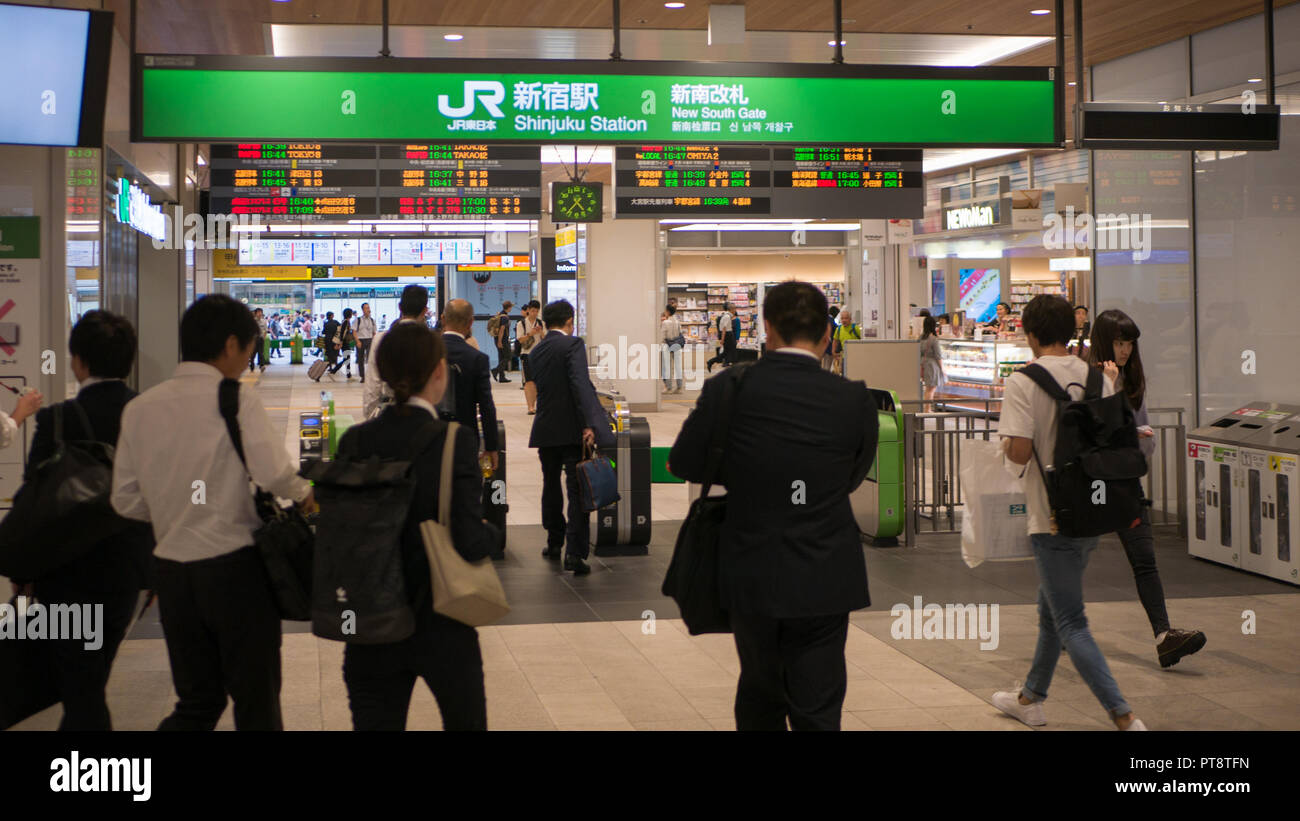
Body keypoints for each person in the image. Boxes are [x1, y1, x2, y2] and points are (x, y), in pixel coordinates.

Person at [668, 281, 878, 731]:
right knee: (819, 703)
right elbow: (852, 476)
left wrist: (747, 472)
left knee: (760, 692)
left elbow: (683, 461)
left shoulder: (729, 387)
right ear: (827, 334)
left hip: (751, 568)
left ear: (766, 328)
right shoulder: (854, 398)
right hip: (827, 571)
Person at [112, 294, 315, 731]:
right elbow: (274, 473)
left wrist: (173, 506)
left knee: (198, 702)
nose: (247, 360)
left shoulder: (139, 408)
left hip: (172, 577)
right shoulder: (235, 400)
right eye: (248, 349)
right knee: (256, 702)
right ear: (229, 345)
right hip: (235, 572)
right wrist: (305, 494)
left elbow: (125, 498)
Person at [336, 322, 501, 731]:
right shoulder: (454, 440)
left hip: (371, 624)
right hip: (442, 623)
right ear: (439, 372)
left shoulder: (353, 442)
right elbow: (467, 540)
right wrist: (491, 533)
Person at [993, 294, 1146, 731]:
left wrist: (1002, 448)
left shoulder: (1023, 382)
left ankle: (1124, 716)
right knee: (1052, 611)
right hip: (1094, 511)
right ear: (1073, 330)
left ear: (1031, 334)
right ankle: (1029, 699)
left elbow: (1020, 452)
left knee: (1071, 622)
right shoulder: (1099, 378)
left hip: (1051, 515)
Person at [15, 311, 153, 730]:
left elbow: (33, 494)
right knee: (88, 679)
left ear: (78, 362)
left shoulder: (57, 419)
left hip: (64, 570)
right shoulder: (147, 414)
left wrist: (24, 569)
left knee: (81, 685)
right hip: (125, 570)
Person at [1090, 309, 1206, 668]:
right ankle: (1056, 627)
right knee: (1071, 559)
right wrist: (1110, 393)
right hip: (1091, 486)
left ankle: (1164, 636)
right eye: (1119, 342)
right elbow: (1092, 435)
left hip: (1126, 485)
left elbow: (1146, 443)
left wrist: (1131, 436)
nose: (1124, 351)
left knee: (1145, 561)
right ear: (1104, 342)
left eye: (1129, 344)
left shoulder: (1134, 381)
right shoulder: (1086, 379)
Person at [528, 299, 616, 575]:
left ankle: (554, 542)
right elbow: (580, 385)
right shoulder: (573, 345)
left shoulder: (536, 350)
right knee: (578, 490)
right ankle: (574, 554)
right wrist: (591, 424)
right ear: (569, 321)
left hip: (545, 428)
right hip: (573, 429)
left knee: (550, 485)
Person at [440, 299, 501, 468]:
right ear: (471, 322)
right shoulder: (477, 359)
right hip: (465, 437)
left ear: (443, 319)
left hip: (430, 438)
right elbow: (486, 406)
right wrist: (491, 446)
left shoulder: (425, 352)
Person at [364, 285, 430, 419]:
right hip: (422, 414)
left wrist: (369, 417)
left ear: (400, 307)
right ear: (425, 311)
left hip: (391, 411)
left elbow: (372, 385)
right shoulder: (432, 341)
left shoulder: (381, 339)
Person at [515, 300, 544, 413]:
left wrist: (540, 332)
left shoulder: (541, 323)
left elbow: (546, 339)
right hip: (526, 354)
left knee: (538, 381)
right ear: (528, 310)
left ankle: (537, 405)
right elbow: (520, 339)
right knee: (529, 382)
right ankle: (530, 406)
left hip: (539, 355)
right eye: (532, 311)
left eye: (537, 311)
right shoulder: (521, 324)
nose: (534, 313)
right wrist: (530, 334)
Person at [919, 315, 945, 408]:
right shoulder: (934, 339)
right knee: (931, 389)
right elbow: (938, 356)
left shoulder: (920, 337)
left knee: (926, 389)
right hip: (932, 366)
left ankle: (925, 409)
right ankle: (927, 410)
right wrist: (942, 369)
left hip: (922, 364)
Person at [660, 303, 684, 394]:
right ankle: (679, 387)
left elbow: (662, 336)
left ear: (668, 312)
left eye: (665, 311)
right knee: (678, 366)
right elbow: (680, 333)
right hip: (677, 345)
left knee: (667, 366)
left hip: (667, 345)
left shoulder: (665, 322)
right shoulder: (677, 322)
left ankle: (668, 387)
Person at [706, 303, 736, 372]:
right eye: (734, 308)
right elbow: (724, 328)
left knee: (725, 353)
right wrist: (722, 339)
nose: (735, 310)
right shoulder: (727, 317)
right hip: (728, 335)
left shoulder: (726, 316)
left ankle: (711, 362)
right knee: (732, 351)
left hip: (727, 335)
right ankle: (733, 367)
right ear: (731, 309)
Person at [490, 301, 514, 383]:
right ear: (509, 307)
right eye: (511, 307)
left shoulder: (500, 314)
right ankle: (495, 371)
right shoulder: (504, 317)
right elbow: (502, 330)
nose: (511, 308)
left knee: (501, 357)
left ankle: (502, 377)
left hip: (497, 339)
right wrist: (500, 341)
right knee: (508, 356)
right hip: (502, 340)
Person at [328, 307, 355, 378]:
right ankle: (335, 370)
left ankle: (347, 374)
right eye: (351, 313)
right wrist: (340, 342)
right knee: (347, 359)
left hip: (345, 342)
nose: (352, 314)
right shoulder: (346, 322)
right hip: (344, 343)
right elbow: (342, 333)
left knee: (347, 358)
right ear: (349, 314)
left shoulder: (345, 321)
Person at [354, 302, 377, 383]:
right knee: (360, 359)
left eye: (368, 308)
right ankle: (363, 376)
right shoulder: (358, 320)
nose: (368, 310)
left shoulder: (372, 320)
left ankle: (370, 376)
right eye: (366, 308)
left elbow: (374, 332)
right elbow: (354, 331)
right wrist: (357, 341)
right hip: (360, 340)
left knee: (370, 359)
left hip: (369, 340)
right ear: (363, 310)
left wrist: (374, 340)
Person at [833, 309, 861, 374]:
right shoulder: (839, 329)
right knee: (844, 375)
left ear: (850, 319)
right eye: (842, 318)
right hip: (844, 357)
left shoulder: (855, 328)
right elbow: (835, 340)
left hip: (856, 357)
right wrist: (833, 352)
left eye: (846, 318)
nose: (844, 320)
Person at [250, 308, 267, 373]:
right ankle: (252, 364)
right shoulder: (252, 321)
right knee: (253, 353)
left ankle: (262, 365)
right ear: (255, 313)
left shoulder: (264, 321)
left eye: (261, 312)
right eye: (258, 312)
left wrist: (264, 338)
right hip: (253, 339)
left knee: (261, 353)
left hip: (260, 339)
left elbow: (265, 330)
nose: (260, 314)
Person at [823, 305, 840, 370]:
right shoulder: (831, 320)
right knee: (827, 366)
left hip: (825, 347)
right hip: (829, 347)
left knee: (825, 365)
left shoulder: (826, 319)